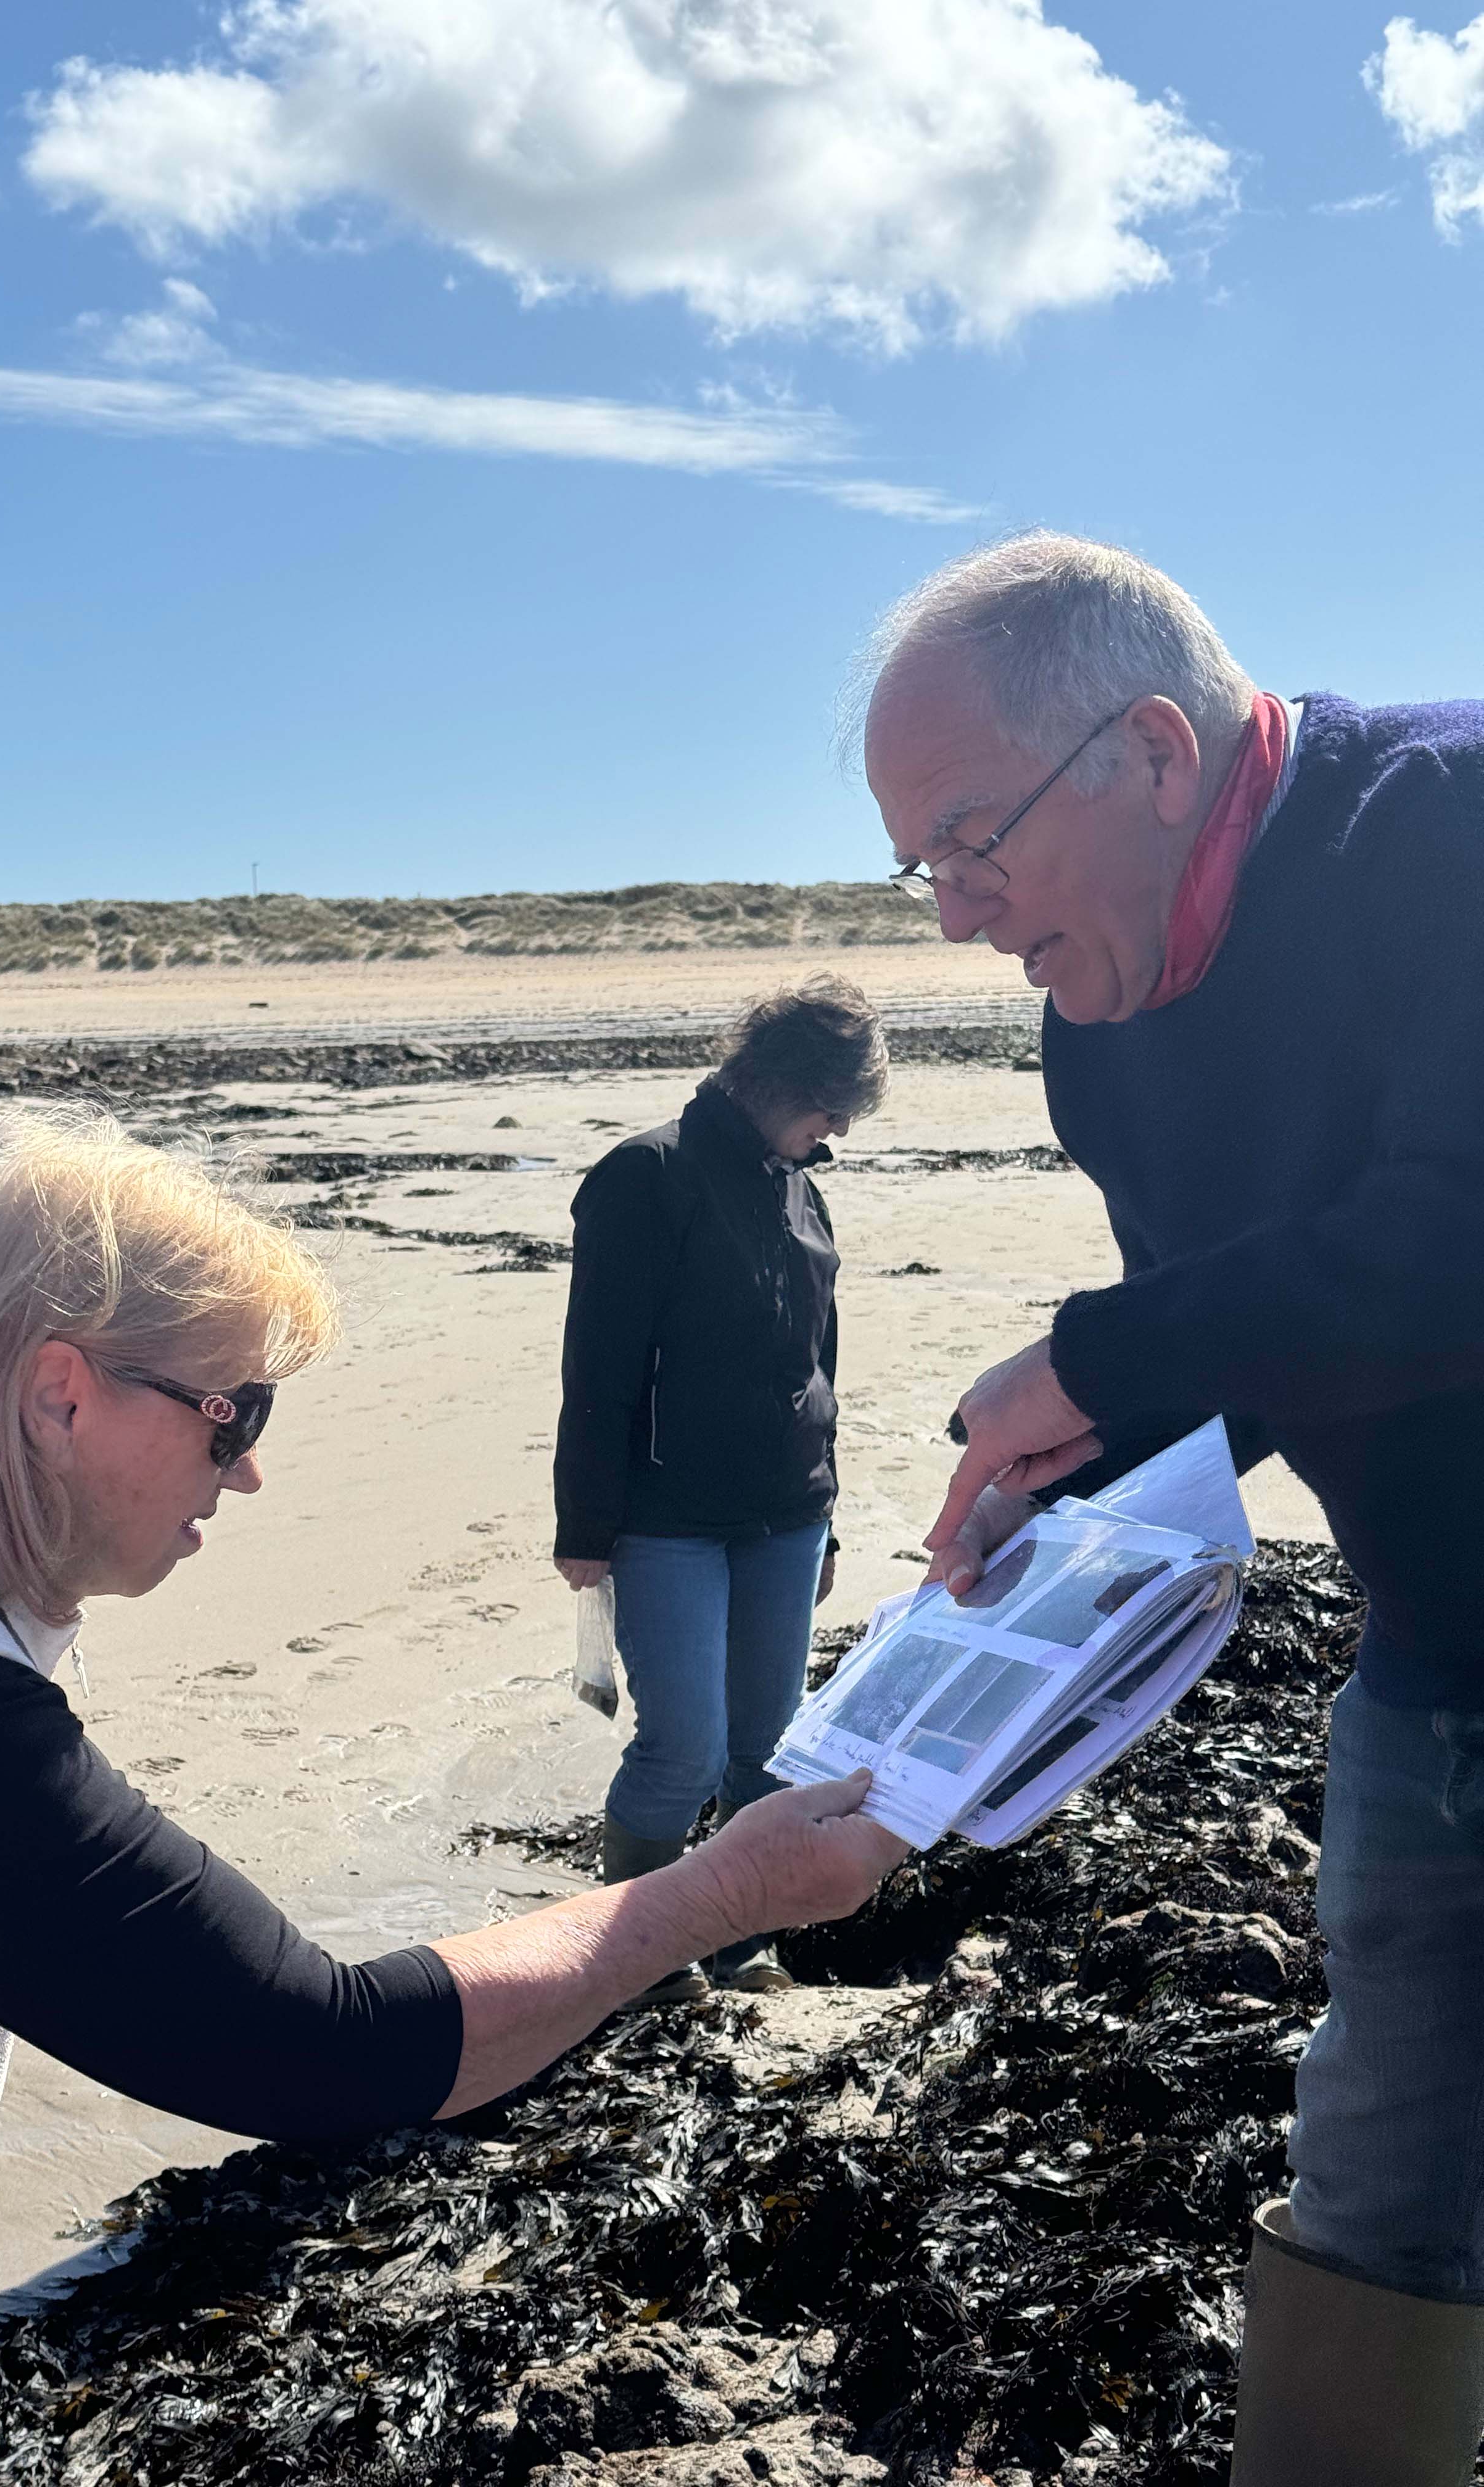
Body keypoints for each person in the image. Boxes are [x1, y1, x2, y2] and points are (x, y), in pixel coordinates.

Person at [0, 1103, 905, 2487]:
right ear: (60, 1394)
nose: (248, 1469)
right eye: (235, 1412)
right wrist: (716, 1896)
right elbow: (318, 2053)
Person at [856, 529, 1484, 2485]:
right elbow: (1247, 1359)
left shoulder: (1449, 828)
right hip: (1437, 1658)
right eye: (918, 868)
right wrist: (1054, 1525)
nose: (959, 917)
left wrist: (1098, 1363)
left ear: (1149, 751)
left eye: (975, 844)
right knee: (1379, 2158)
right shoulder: (1103, 1030)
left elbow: (1451, 1241)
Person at [552, 978, 888, 1998]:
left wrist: (826, 1514)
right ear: (775, 1082)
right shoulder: (643, 1176)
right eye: (831, 1107)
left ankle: (743, 1944)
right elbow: (597, 1365)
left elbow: (818, 1361)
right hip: (667, 1521)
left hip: (784, 1518)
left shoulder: (802, 1187)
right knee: (681, 1752)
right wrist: (584, 1523)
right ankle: (642, 1957)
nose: (836, 1130)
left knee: (768, 1752)